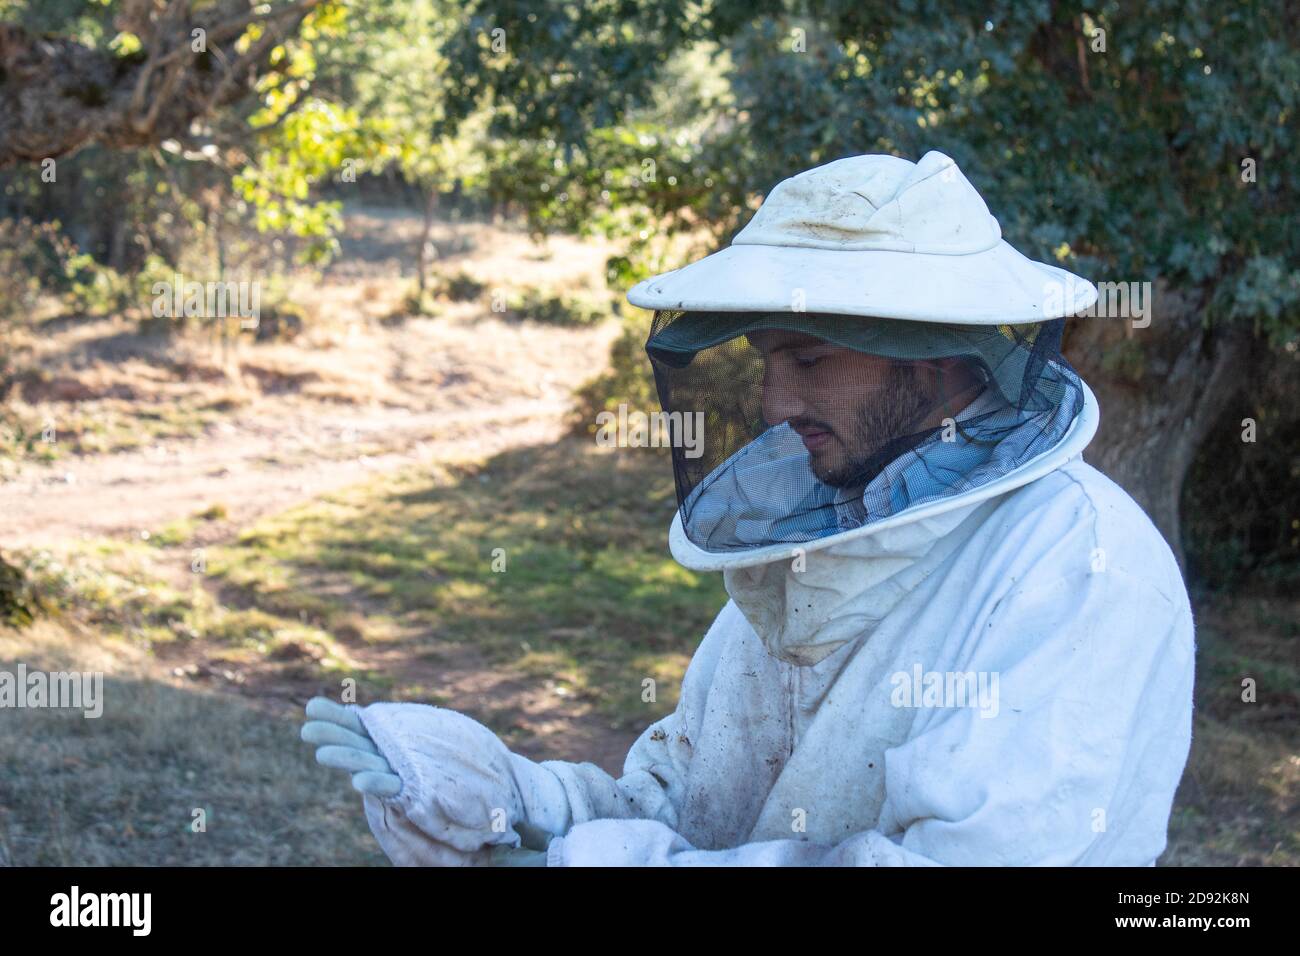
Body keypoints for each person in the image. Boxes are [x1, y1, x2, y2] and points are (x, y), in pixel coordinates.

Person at [302, 150, 1195, 866]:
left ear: (931, 358)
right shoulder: (819, 533)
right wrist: (502, 796)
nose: (772, 404)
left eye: (806, 362)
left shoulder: (1078, 570)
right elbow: (688, 805)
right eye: (766, 362)